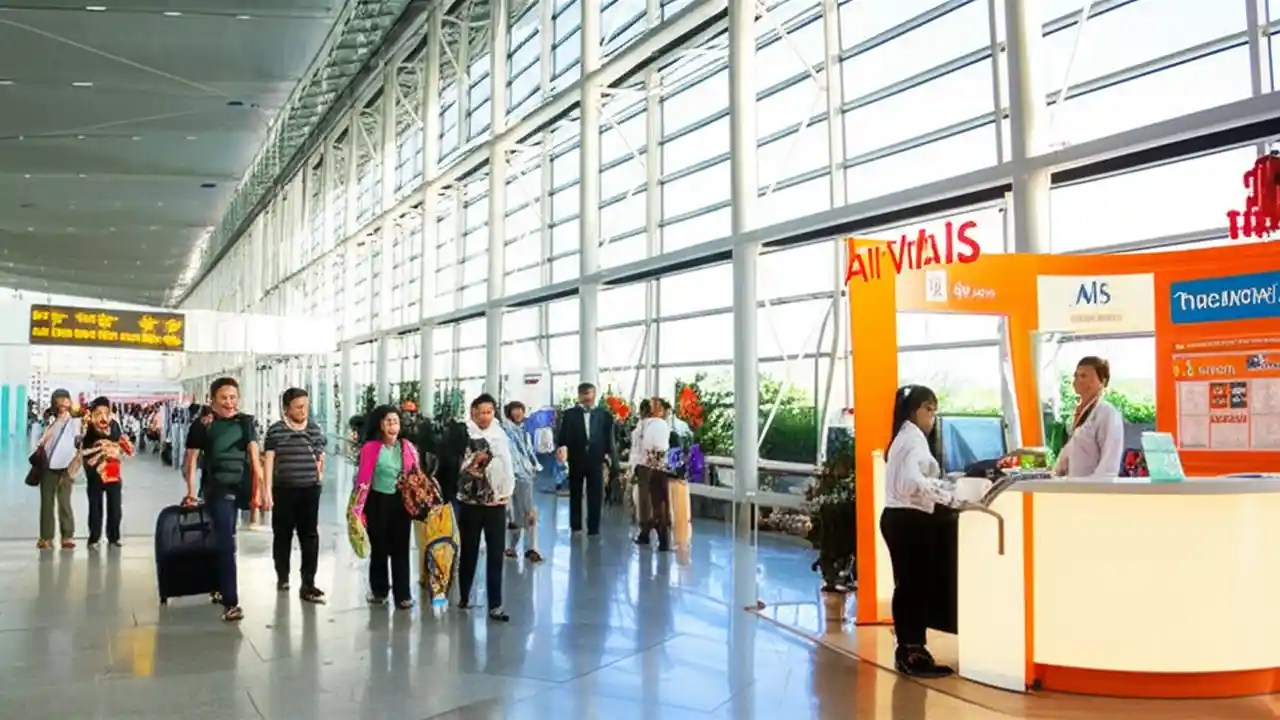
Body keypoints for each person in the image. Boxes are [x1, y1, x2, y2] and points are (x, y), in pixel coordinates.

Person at [879, 384, 959, 678]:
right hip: (908, 520)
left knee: (911, 585)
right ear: (915, 410)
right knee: (914, 586)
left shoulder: (905, 437)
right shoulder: (912, 440)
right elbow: (912, 481)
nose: (933, 417)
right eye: (929, 409)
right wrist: (946, 495)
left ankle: (913, 647)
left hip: (902, 518)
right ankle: (911, 651)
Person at [184, 378, 260, 623]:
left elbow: (254, 457)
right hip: (216, 488)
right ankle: (231, 601)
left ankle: (218, 585)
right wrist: (190, 491)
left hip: (241, 486)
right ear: (212, 400)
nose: (230, 402)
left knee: (224, 537)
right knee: (226, 541)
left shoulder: (246, 422)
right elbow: (191, 461)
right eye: (224, 398)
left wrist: (261, 492)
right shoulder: (203, 425)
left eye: (233, 397)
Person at [263, 388, 328, 604]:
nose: (303, 411)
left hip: (310, 490)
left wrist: (319, 477)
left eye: (306, 406)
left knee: (309, 536)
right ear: (286, 408)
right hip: (283, 491)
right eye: (298, 407)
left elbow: (321, 457)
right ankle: (283, 576)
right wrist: (266, 491)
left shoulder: (315, 430)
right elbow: (269, 461)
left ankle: (308, 583)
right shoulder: (276, 431)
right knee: (282, 535)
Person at [456, 393, 515, 622]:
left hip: (496, 504)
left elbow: (507, 463)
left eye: (490, 412)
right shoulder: (464, 433)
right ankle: (464, 595)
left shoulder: (500, 435)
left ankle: (496, 604)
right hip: (470, 503)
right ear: (473, 412)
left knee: (495, 554)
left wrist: (507, 490)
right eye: (481, 412)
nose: (486, 417)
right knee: (469, 551)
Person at [354, 405, 418, 609]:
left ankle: (403, 595)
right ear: (380, 424)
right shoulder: (370, 448)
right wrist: (357, 509)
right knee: (379, 548)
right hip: (377, 502)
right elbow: (363, 480)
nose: (393, 425)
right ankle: (379, 591)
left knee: (401, 549)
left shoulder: (407, 447)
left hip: (401, 502)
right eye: (388, 421)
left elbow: (416, 474)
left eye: (396, 421)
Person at [555, 382, 618, 536]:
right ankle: (575, 527)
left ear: (594, 395)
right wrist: (561, 449)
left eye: (589, 393)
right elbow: (562, 436)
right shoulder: (569, 414)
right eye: (584, 394)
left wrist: (610, 457)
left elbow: (609, 438)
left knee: (595, 494)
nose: (587, 397)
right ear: (579, 396)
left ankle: (594, 528)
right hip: (576, 458)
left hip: (596, 459)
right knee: (575, 493)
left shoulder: (604, 415)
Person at [1054, 356, 1125, 479]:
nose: (1078, 380)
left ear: (1101, 381)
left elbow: (1109, 463)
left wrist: (1093, 490)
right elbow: (1067, 454)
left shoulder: (1107, 413)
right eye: (1076, 376)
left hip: (1094, 490)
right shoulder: (1078, 413)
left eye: (1084, 376)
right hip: (1074, 488)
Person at [81, 396, 132, 549]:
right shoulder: (88, 428)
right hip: (94, 474)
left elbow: (122, 445)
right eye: (99, 412)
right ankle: (94, 538)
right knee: (95, 508)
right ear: (93, 414)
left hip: (113, 473)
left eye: (106, 412)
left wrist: (118, 449)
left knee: (115, 507)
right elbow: (83, 450)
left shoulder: (115, 426)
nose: (103, 416)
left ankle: (113, 537)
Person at [35, 388, 82, 550]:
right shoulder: (51, 422)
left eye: (65, 400)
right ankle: (46, 537)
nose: (62, 404)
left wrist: (74, 468)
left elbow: (78, 445)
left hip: (66, 468)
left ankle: (67, 536)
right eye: (59, 401)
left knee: (64, 502)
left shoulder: (74, 422)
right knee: (47, 503)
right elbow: (43, 441)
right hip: (48, 466)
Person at [501, 401, 543, 562]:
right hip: (508, 475)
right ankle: (510, 547)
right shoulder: (504, 431)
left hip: (524, 477)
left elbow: (529, 452)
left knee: (528, 512)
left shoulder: (525, 432)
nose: (518, 413)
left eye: (520, 410)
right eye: (514, 410)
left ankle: (531, 548)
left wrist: (533, 467)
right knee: (512, 514)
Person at [634, 397, 673, 551]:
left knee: (656, 503)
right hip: (648, 465)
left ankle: (662, 536)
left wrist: (650, 465)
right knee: (647, 502)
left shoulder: (658, 425)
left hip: (653, 466)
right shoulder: (648, 424)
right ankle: (647, 532)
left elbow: (656, 449)